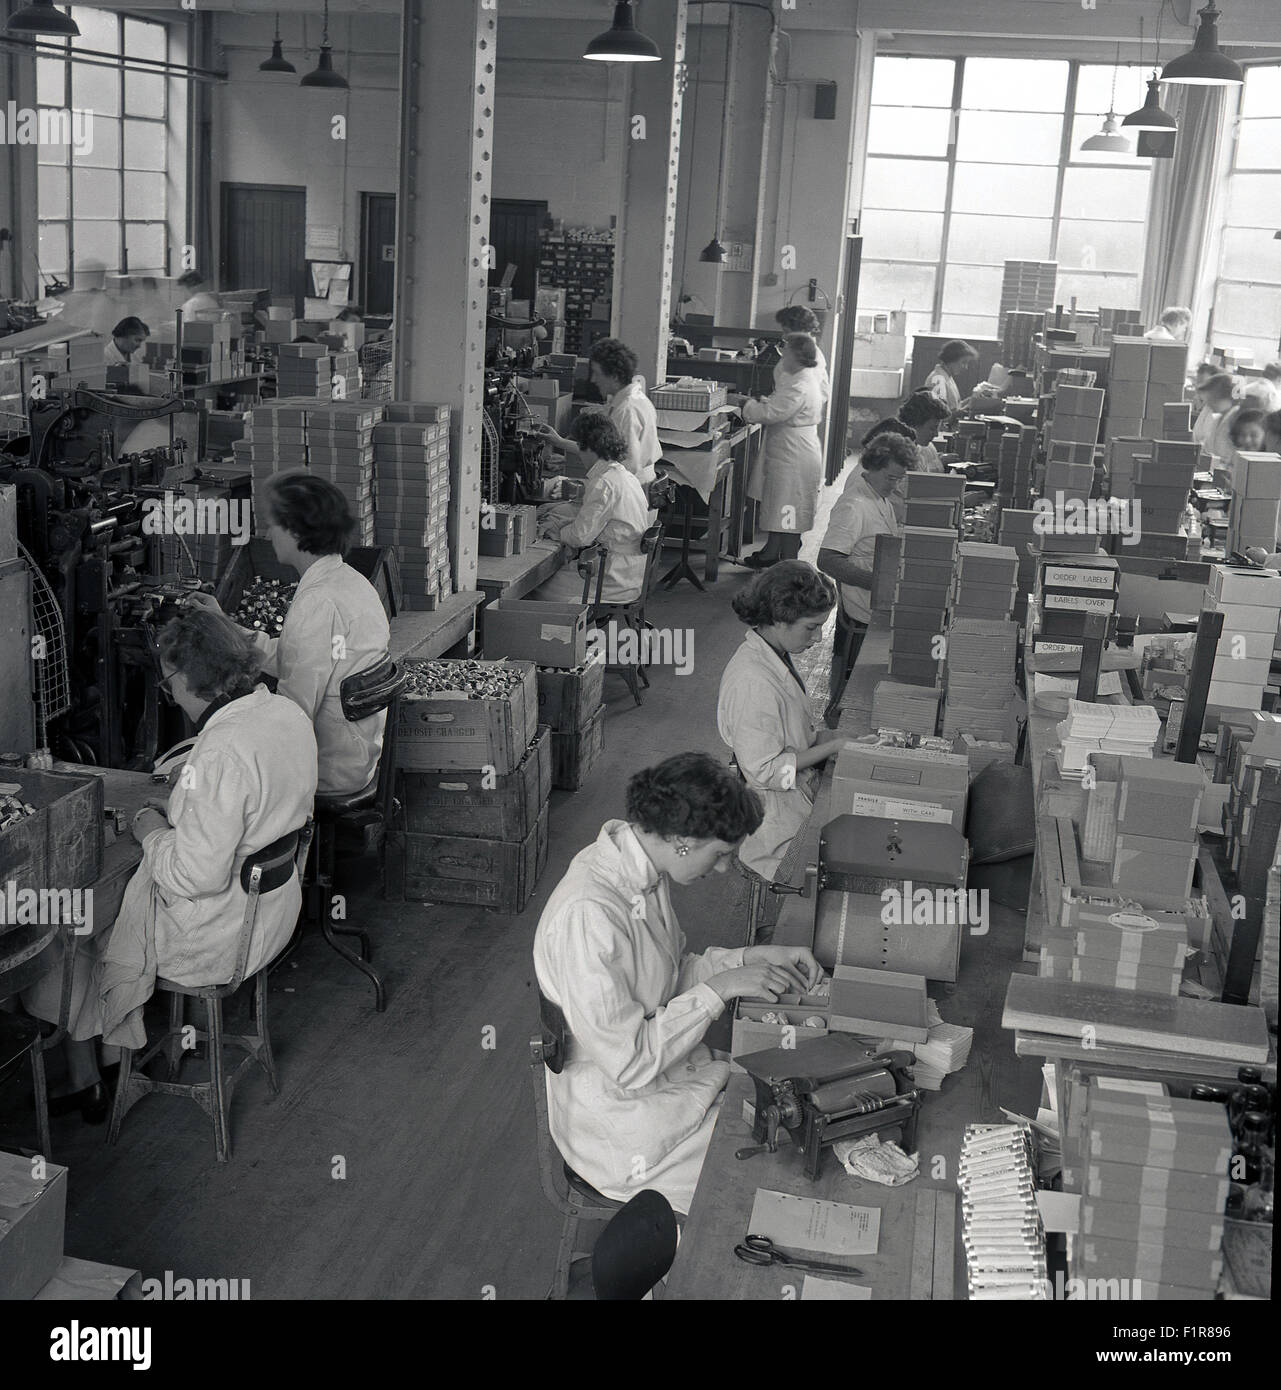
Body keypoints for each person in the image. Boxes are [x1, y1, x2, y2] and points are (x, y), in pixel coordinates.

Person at [21, 609, 317, 1119]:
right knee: (103, 910)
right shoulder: (282, 712)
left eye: (168, 680)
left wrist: (150, 829)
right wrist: (188, 802)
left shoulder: (221, 749)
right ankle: (110, 1066)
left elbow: (194, 876)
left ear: (186, 677)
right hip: (272, 909)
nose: (168, 691)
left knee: (72, 924)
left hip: (220, 933)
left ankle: (93, 1072)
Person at [532, 752, 823, 1214]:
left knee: (787, 1117)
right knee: (774, 1178)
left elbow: (667, 976)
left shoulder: (645, 870)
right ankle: (671, 1271)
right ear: (683, 840)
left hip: (664, 1084)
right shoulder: (589, 914)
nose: (727, 868)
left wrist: (750, 959)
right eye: (722, 853)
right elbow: (629, 1062)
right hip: (620, 1125)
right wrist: (719, 989)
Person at [188, 473, 391, 796]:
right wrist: (224, 622)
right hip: (355, 755)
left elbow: (292, 715)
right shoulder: (350, 582)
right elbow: (292, 658)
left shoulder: (318, 602)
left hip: (329, 769)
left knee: (210, 775)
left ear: (295, 530)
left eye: (273, 525)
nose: (268, 534)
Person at [718, 562, 845, 882]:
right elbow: (766, 772)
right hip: (776, 831)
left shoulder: (774, 655)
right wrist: (834, 745)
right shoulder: (754, 681)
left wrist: (829, 738)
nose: (818, 638)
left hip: (795, 799)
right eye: (811, 627)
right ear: (778, 618)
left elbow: (790, 733)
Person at [817, 431, 913, 726]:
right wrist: (876, 581)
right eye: (891, 478)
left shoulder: (879, 497)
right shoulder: (854, 505)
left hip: (878, 594)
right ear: (871, 467)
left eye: (899, 479)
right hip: (862, 602)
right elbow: (827, 560)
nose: (895, 486)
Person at [530, 414, 650, 604]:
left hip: (610, 580)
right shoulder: (624, 476)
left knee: (533, 587)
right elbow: (604, 523)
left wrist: (553, 530)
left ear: (588, 447)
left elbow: (579, 537)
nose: (579, 453)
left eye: (579, 446)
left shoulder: (604, 483)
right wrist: (564, 521)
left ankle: (569, 633)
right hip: (629, 573)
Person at [741, 333, 826, 568]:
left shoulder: (799, 383)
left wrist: (745, 405)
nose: (782, 355)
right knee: (785, 514)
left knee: (789, 516)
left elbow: (773, 414)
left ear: (797, 355)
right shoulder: (801, 377)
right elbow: (781, 407)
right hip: (793, 449)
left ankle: (790, 569)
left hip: (793, 456)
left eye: (785, 351)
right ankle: (783, 564)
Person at [532, 337, 662, 488]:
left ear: (614, 376)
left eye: (597, 373)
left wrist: (584, 487)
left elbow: (628, 465)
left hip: (632, 488)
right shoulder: (632, 398)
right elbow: (607, 451)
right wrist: (560, 442)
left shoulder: (626, 409)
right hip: (632, 484)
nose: (593, 380)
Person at [774, 304, 830, 407]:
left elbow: (803, 395)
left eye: (787, 332)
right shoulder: (798, 351)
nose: (783, 336)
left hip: (794, 418)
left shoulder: (810, 357)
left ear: (802, 331)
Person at [898, 389, 950, 473]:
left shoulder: (927, 447)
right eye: (932, 428)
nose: (936, 434)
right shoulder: (899, 456)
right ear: (914, 424)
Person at [922, 340, 979, 415]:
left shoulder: (947, 377)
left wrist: (972, 400)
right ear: (951, 358)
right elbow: (939, 415)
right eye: (963, 362)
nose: (966, 367)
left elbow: (953, 406)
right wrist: (966, 408)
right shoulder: (938, 379)